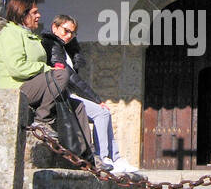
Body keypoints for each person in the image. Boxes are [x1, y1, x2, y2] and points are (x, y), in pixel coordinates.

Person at [40, 14, 141, 175]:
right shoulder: (51, 45)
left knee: (105, 112)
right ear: (54, 27)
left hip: (69, 94)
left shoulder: (66, 48)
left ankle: (115, 158)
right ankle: (103, 157)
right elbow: (71, 78)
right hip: (62, 96)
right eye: (66, 31)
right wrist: (96, 99)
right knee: (101, 112)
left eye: (72, 33)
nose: (69, 36)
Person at [0, 0, 70, 134]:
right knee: (60, 75)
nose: (38, 15)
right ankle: (42, 120)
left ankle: (85, 153)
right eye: (34, 12)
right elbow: (17, 68)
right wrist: (46, 69)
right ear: (22, 14)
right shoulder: (10, 34)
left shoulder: (30, 36)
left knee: (77, 106)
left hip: (32, 84)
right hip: (16, 87)